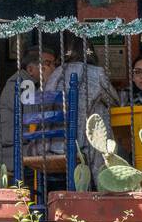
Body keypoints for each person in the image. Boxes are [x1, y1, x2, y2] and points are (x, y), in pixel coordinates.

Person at [42, 43, 119, 176]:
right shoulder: (97, 72)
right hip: (83, 146)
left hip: (52, 146)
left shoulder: (57, 72)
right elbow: (114, 101)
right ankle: (102, 177)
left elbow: (44, 103)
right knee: (99, 109)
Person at [0, 45, 57, 172]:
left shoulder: (30, 83)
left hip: (24, 147)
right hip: (13, 151)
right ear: (30, 69)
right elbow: (34, 118)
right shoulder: (23, 83)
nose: (53, 68)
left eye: (53, 64)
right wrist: (47, 85)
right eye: (48, 64)